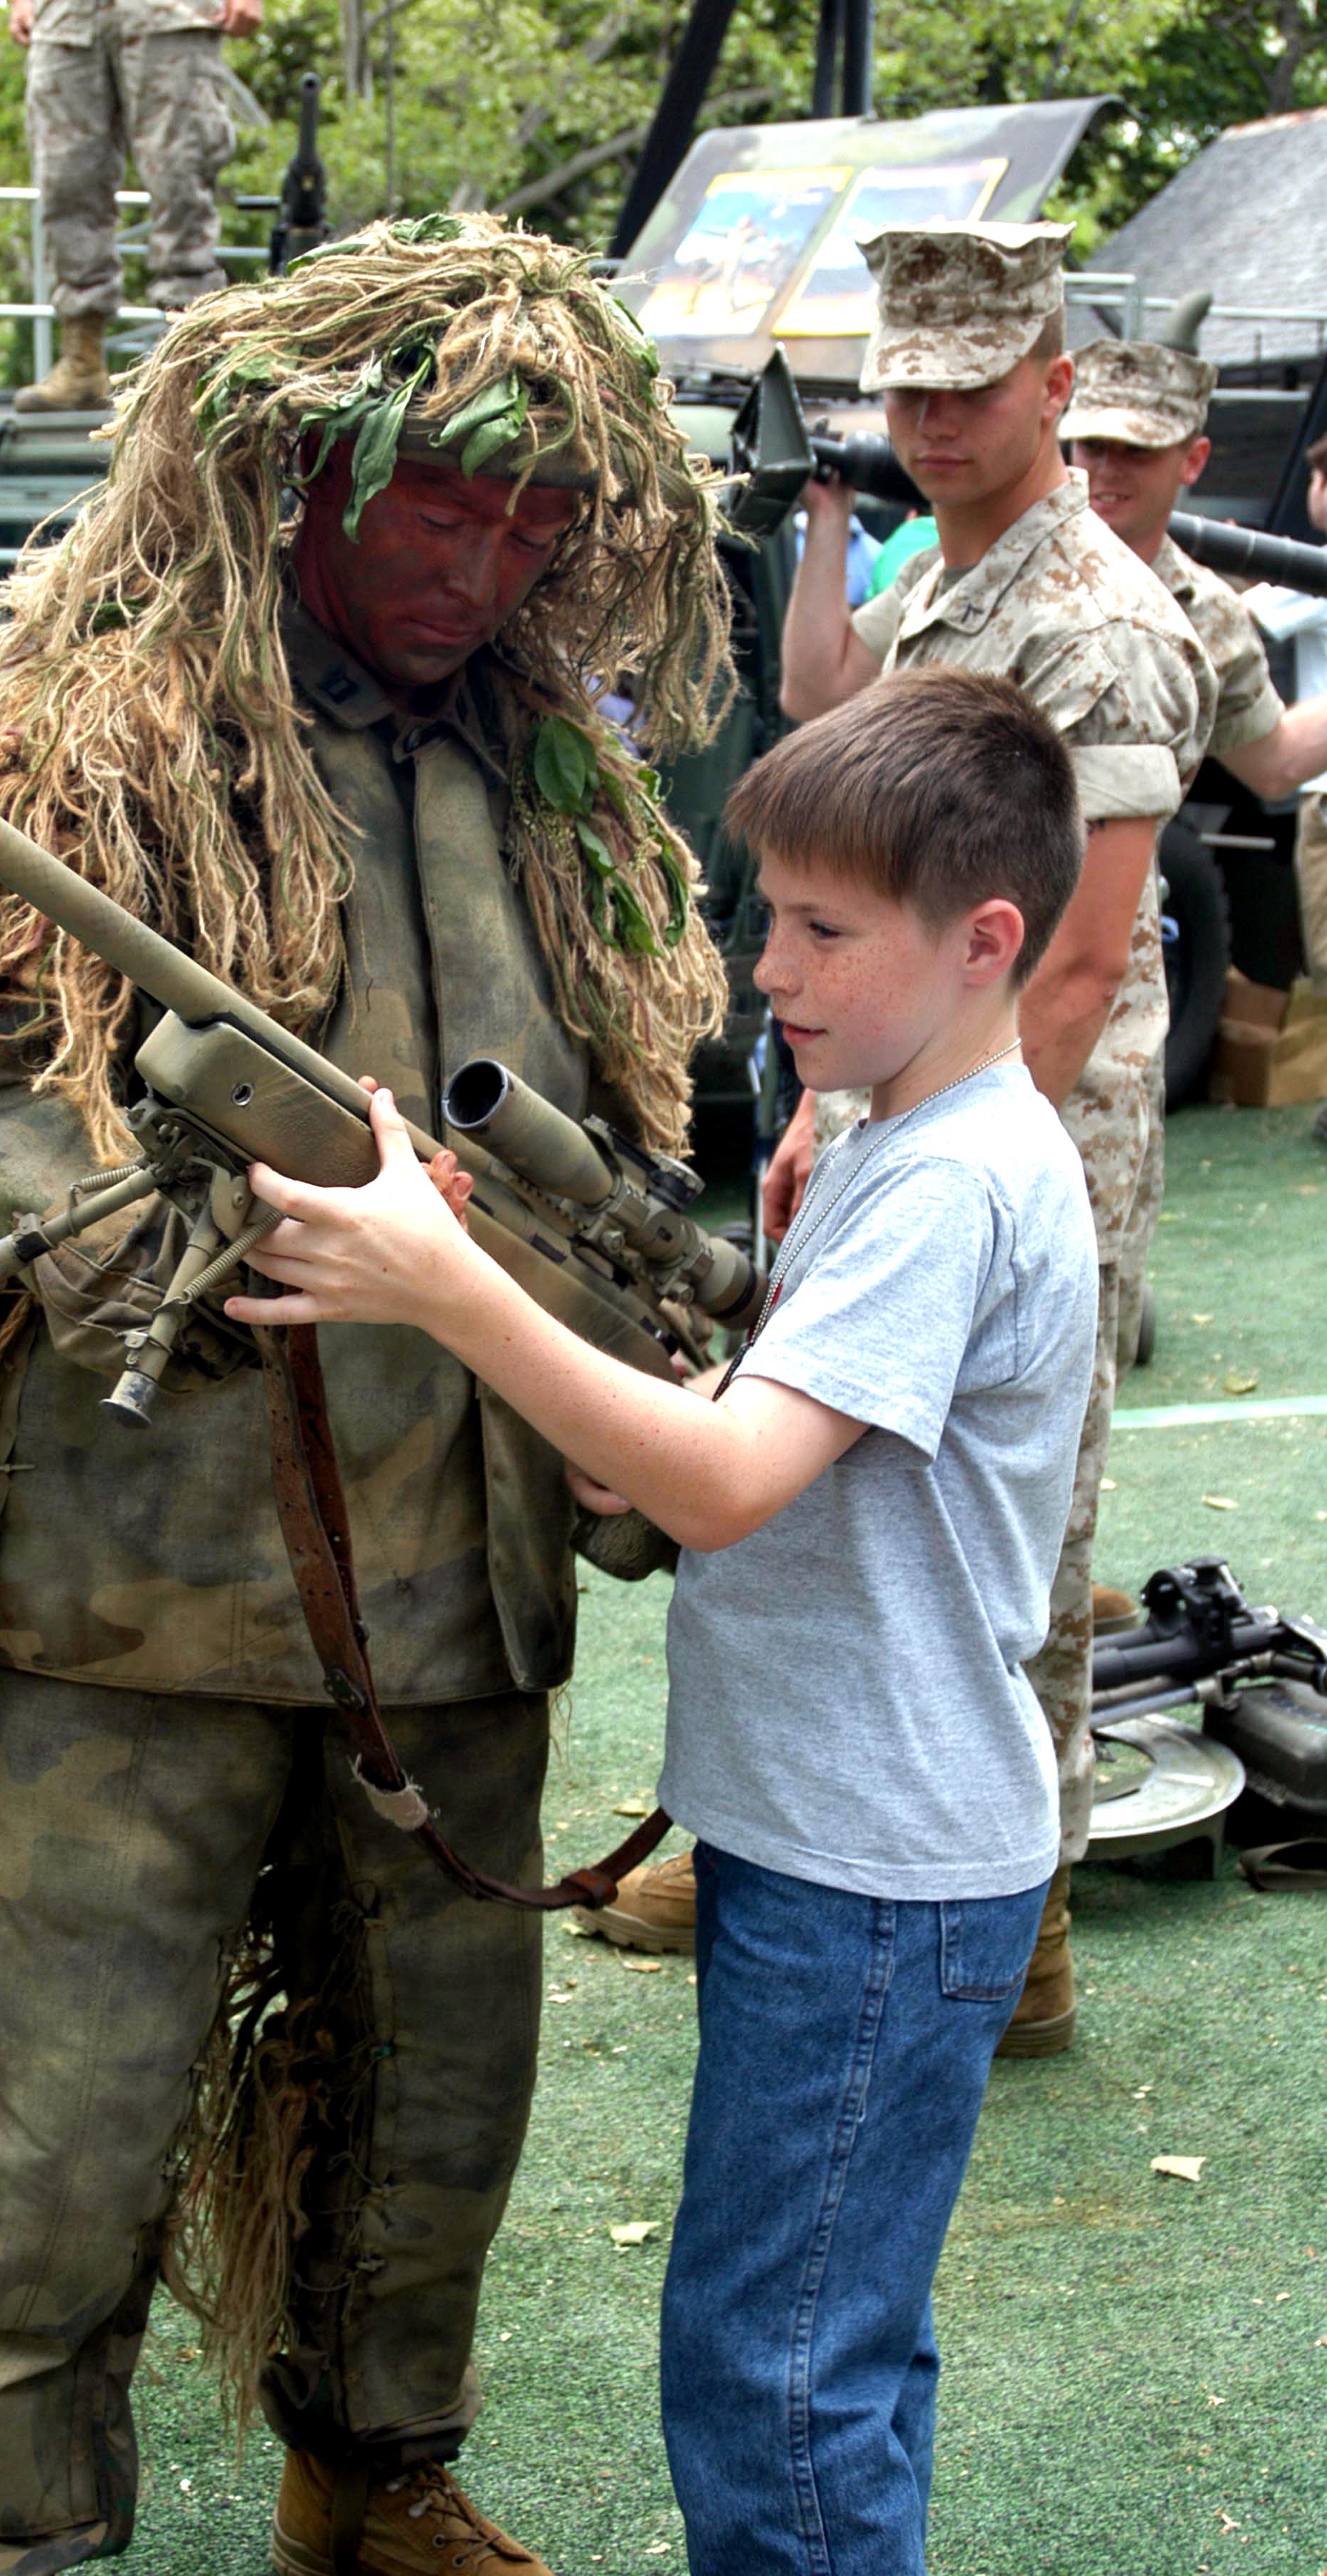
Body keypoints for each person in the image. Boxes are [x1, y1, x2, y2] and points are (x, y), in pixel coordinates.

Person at [0, 215, 731, 2576]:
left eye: (534, 515)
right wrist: (109, 1234)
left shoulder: (548, 773)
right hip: (148, 1582)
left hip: (468, 1575)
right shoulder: (110, 738)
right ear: (295, 471)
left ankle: (375, 2475)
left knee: (443, 2102)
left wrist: (641, 1317)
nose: (484, 555)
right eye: (442, 499)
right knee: (60, 2120)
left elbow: (614, 1085)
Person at [224, 665, 1100, 2576]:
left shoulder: (950, 1180)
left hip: (876, 1871)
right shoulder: (898, 1130)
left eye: (818, 930)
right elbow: (763, 1455)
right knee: (826, 2343)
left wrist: (447, 1287)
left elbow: (724, 1488)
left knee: (774, 2373)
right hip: (855, 1848)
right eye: (761, 912)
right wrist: (648, 1428)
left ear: (986, 941)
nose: (764, 966)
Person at [597, 223, 1217, 2053]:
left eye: (966, 389)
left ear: (1052, 385)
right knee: (849, 1495)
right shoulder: (939, 587)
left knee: (1006, 1537)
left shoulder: (1100, 621)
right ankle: (802, 1846)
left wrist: (885, 1139)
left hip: (1030, 1121)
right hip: (906, 1087)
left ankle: (1005, 1931)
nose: (930, 421)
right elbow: (818, 720)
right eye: (905, 390)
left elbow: (1080, 952)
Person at [1063, 345, 1327, 1284]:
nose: (1104, 472)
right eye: (1088, 445)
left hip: (1107, 1000)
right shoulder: (987, 557)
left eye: (1137, 451)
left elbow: (1276, 763)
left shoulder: (1206, 611)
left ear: (1194, 461)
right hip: (963, 955)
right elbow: (824, 687)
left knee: (1090, 1293)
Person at [8, 0, 260, 412]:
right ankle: (82, 359)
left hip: (169, 13)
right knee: (65, 177)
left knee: (180, 170)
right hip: (66, 16)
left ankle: (190, 357)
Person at [1240, 431, 1327, 1133]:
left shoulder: (1313, 580)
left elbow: (1250, 609)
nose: (1320, 494)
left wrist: (1220, 571)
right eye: (1318, 478)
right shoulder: (1312, 571)